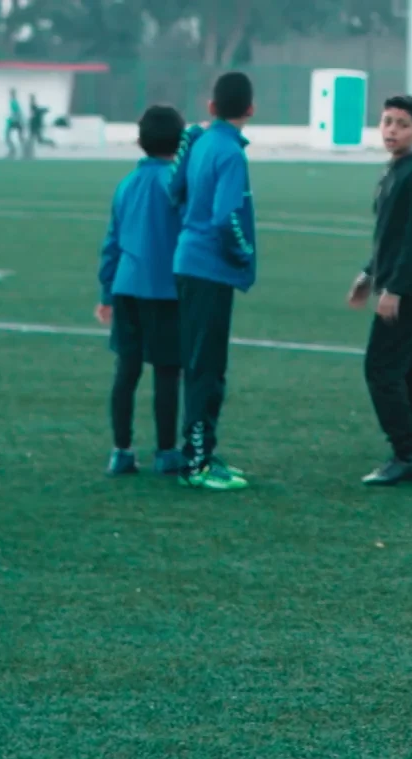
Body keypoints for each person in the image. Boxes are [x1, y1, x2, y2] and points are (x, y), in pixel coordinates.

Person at [348, 95, 412, 487]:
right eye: (387, 122)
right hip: (401, 285)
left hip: (411, 289)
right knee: (411, 369)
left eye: (402, 124)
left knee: (381, 369)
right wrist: (369, 274)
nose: (391, 130)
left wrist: (395, 288)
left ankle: (406, 453)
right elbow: (388, 236)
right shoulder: (395, 170)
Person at [171, 71, 257, 492]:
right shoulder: (230, 153)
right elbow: (226, 218)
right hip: (209, 268)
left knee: (205, 365)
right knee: (206, 368)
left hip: (189, 262)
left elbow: (176, 193)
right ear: (251, 109)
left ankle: (202, 453)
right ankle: (196, 463)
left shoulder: (203, 142)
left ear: (211, 107)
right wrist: (244, 253)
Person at [95, 105, 187, 478]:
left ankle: (121, 451)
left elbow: (112, 243)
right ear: (180, 143)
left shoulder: (126, 185)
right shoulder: (179, 185)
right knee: (167, 371)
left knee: (126, 371)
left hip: (126, 287)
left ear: (139, 141)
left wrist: (106, 293)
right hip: (166, 290)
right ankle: (166, 451)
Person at [4, 89, 24, 159]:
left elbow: (17, 113)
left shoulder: (13, 102)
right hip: (17, 122)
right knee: (20, 137)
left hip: (15, 122)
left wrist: (11, 120)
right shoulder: (14, 102)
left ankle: (13, 149)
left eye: (11, 93)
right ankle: (14, 149)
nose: (11, 95)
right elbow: (16, 113)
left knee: (7, 136)